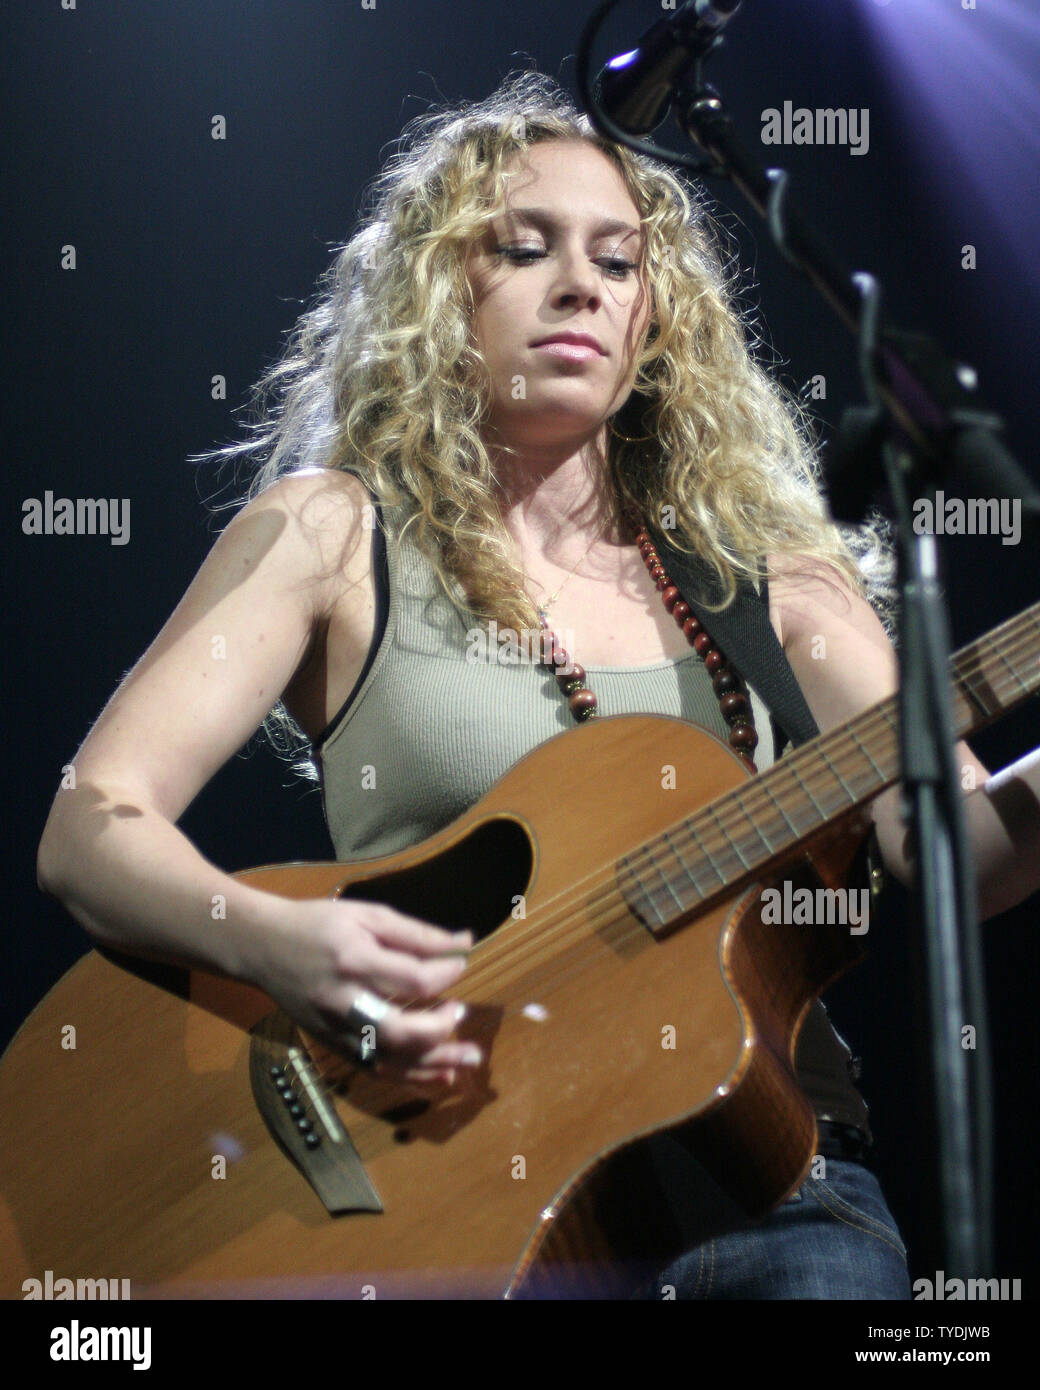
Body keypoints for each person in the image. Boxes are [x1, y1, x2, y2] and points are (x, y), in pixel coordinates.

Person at [36, 70, 1040, 1299]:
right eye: (525, 247)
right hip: (440, 1200)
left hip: (774, 1191)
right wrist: (281, 944)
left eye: (619, 264)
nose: (580, 285)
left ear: (654, 318)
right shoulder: (330, 535)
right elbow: (91, 825)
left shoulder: (776, 583)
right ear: (435, 291)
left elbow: (964, 856)